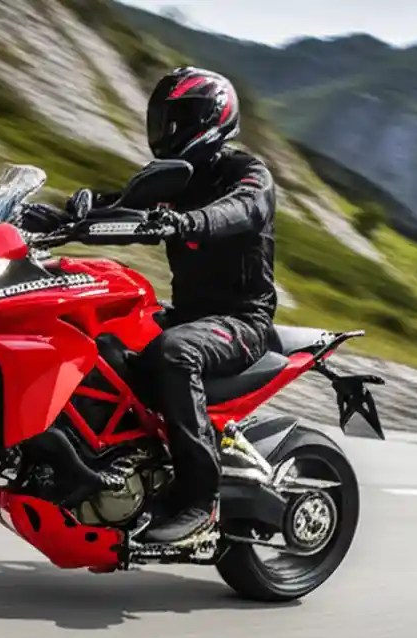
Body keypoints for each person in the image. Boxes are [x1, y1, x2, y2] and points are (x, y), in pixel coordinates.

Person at [22, 67, 277, 544]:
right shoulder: (174, 178)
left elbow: (245, 209)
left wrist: (185, 223)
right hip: (186, 314)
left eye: (177, 119)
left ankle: (200, 500)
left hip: (241, 321)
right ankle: (104, 465)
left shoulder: (246, 172)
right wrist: (48, 217)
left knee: (175, 354)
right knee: (97, 339)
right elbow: (121, 204)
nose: (166, 130)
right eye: (162, 119)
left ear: (210, 118)